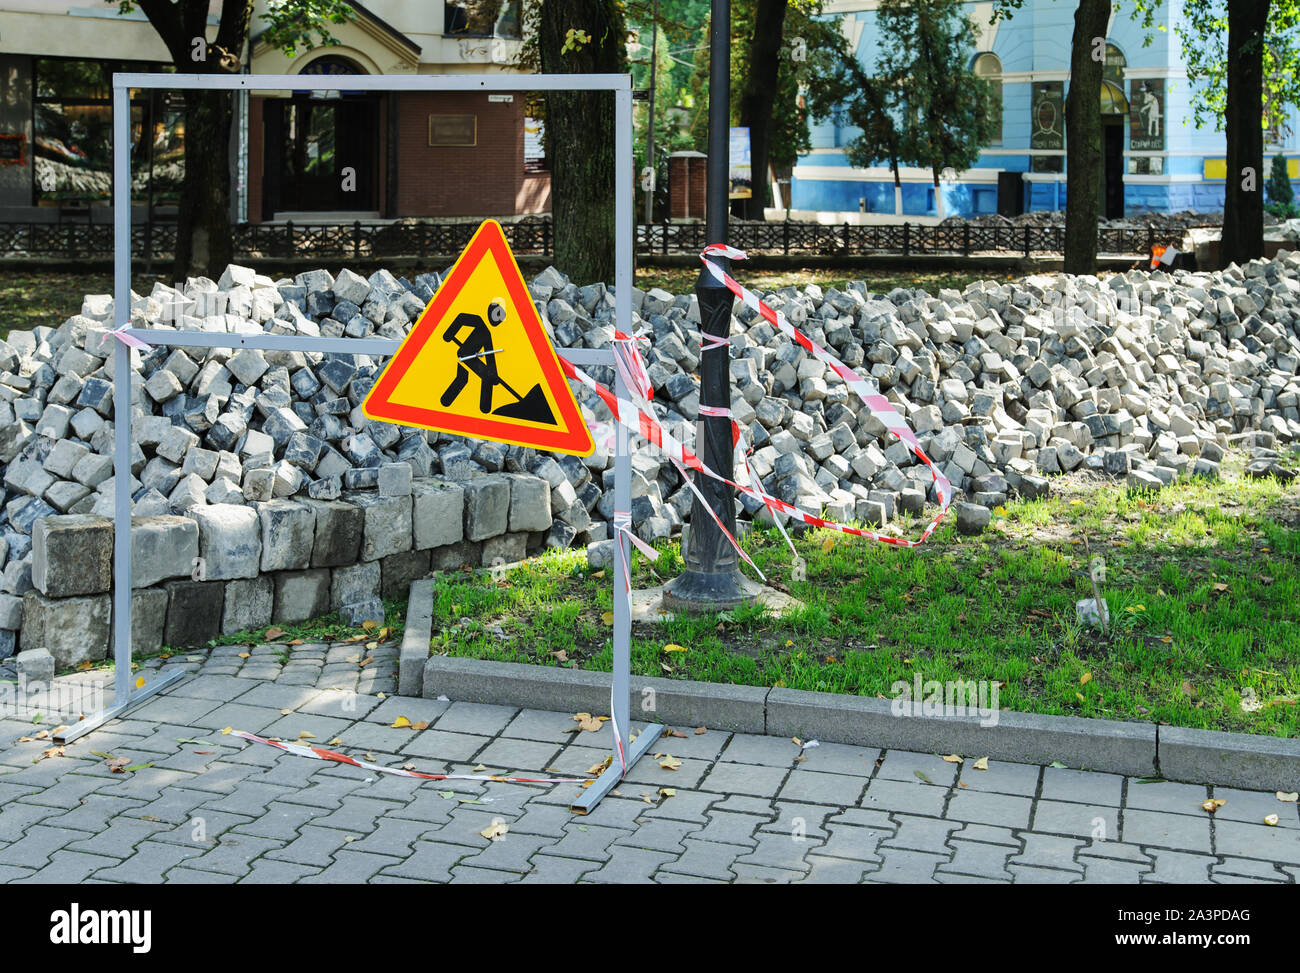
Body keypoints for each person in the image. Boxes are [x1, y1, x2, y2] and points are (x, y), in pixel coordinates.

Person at [441, 300, 507, 414]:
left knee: (487, 377)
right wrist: (448, 334)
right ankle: (445, 402)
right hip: (464, 354)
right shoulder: (479, 322)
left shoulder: (487, 333)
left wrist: (493, 372)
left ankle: (485, 408)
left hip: (470, 357)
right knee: (464, 378)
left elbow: (490, 353)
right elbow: (461, 318)